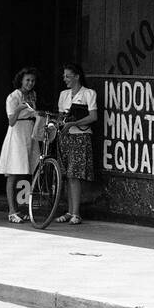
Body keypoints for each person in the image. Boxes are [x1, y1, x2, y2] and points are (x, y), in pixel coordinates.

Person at [56, 62, 97, 225]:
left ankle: (76, 213)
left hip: (80, 136)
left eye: (68, 76)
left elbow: (93, 117)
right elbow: (60, 116)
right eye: (64, 76)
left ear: (77, 76)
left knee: (74, 175)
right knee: (66, 175)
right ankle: (69, 211)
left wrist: (73, 123)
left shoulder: (88, 94)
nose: (65, 79)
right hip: (65, 137)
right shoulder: (63, 95)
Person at [0, 67, 42, 223]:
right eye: (27, 80)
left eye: (32, 80)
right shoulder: (13, 97)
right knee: (13, 172)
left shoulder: (32, 95)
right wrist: (20, 107)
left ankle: (20, 208)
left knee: (26, 170)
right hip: (17, 134)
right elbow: (11, 121)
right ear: (21, 81)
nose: (30, 83)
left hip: (30, 132)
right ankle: (12, 211)